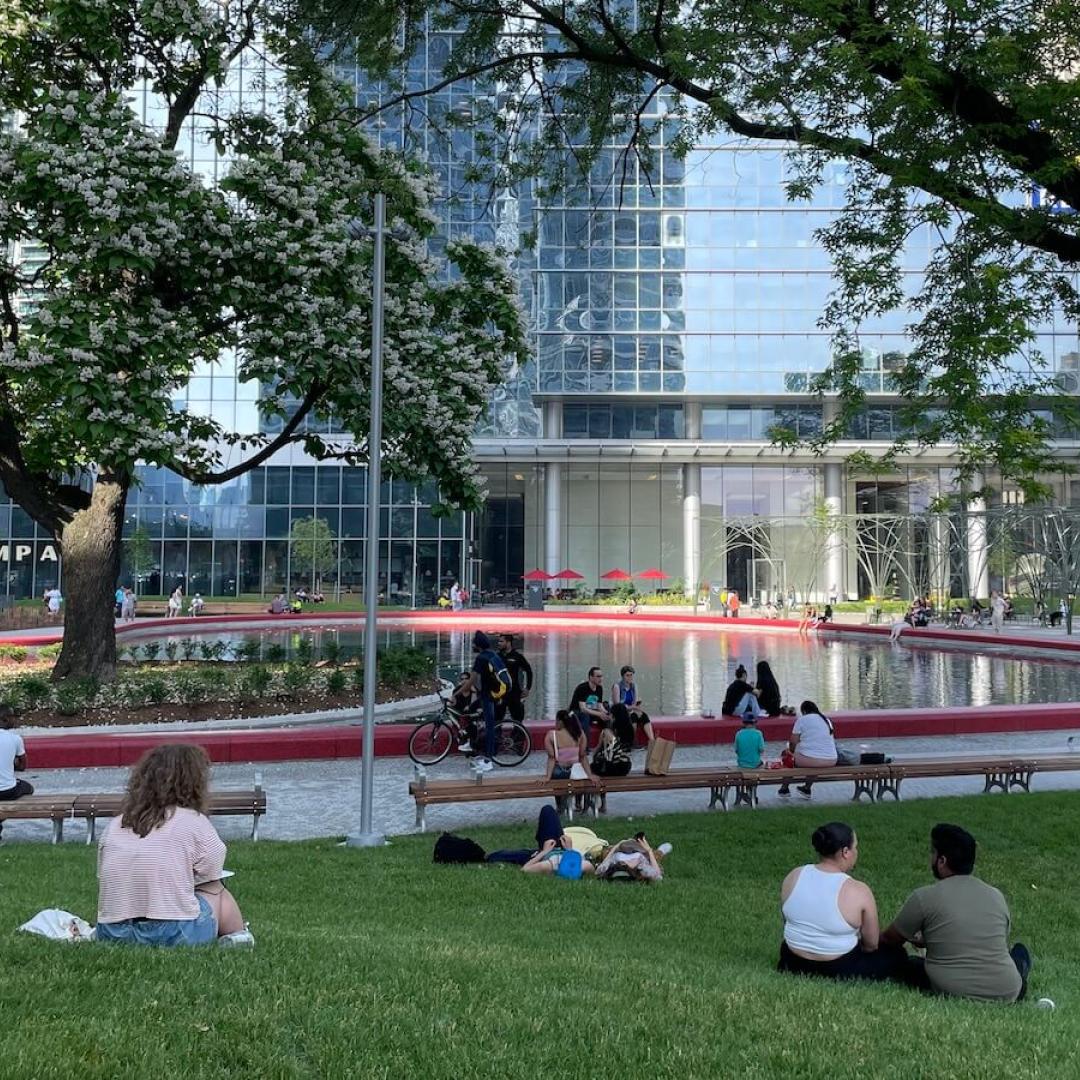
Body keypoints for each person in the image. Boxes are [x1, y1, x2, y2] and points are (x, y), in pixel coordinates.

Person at [96, 744, 251, 947]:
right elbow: (213, 867)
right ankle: (238, 936)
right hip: (172, 932)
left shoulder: (116, 824)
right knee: (217, 889)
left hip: (112, 932)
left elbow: (103, 873)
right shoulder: (193, 821)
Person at [881, 823, 1029, 1003]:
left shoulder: (924, 897)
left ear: (942, 861)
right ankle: (1018, 973)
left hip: (951, 988)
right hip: (1007, 990)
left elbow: (889, 940)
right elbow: (991, 942)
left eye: (932, 853)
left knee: (905, 962)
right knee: (1020, 952)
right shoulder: (996, 895)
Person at [778, 822, 901, 981]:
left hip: (791, 961)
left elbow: (789, 919)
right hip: (839, 967)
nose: (857, 852)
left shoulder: (794, 876)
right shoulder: (858, 890)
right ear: (845, 852)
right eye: (855, 847)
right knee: (896, 955)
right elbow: (871, 944)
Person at [777, 700, 837, 799]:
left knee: (788, 756)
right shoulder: (826, 720)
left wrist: (790, 752)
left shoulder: (802, 720)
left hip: (813, 760)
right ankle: (807, 788)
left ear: (804, 711)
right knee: (812, 756)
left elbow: (793, 742)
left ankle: (784, 788)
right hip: (831, 759)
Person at [469, 630, 507, 773]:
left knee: (490, 727)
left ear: (478, 645)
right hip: (492, 694)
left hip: (488, 695)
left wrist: (459, 692)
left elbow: (472, 679)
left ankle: (488, 760)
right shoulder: (492, 654)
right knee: (475, 713)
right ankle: (474, 745)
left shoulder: (481, 658)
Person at [522, 805, 596, 876]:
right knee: (549, 811)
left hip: (548, 846)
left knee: (547, 810)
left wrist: (544, 851)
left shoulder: (551, 865)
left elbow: (525, 869)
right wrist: (569, 849)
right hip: (565, 848)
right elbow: (591, 870)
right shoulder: (584, 865)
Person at [542, 710, 593, 813]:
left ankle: (560, 805)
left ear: (560, 722)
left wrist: (547, 776)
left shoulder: (551, 735)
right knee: (579, 774)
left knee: (555, 775)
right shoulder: (580, 734)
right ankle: (578, 803)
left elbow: (552, 758)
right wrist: (589, 774)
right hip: (575, 772)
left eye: (556, 721)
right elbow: (582, 756)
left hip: (561, 772)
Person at [0, 710, 34, 840]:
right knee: (28, 788)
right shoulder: (15, 738)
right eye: (13, 717)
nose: (15, 720)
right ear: (4, 719)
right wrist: (10, 763)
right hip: (8, 791)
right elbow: (22, 766)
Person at [495, 632, 533, 726]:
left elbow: (529, 671)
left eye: (501, 641)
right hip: (500, 693)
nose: (498, 643)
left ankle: (518, 738)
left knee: (517, 719)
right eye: (498, 641)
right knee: (497, 719)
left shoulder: (517, 656)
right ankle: (497, 738)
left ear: (508, 643)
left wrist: (527, 688)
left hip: (514, 692)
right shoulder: (497, 657)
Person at [609, 665, 654, 743]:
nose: (630, 677)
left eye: (631, 675)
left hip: (630, 709)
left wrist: (635, 708)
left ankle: (652, 740)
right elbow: (617, 705)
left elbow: (635, 702)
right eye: (627, 675)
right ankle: (632, 740)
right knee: (632, 718)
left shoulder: (633, 686)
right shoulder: (617, 686)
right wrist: (632, 707)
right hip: (620, 712)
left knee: (643, 716)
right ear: (623, 676)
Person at [569, 666, 609, 743]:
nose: (601, 679)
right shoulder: (583, 688)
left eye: (601, 676)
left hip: (591, 711)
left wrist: (606, 713)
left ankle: (608, 743)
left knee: (607, 717)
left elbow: (600, 706)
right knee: (585, 716)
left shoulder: (599, 688)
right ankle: (585, 747)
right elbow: (583, 708)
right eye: (598, 676)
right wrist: (599, 714)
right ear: (591, 677)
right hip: (576, 712)